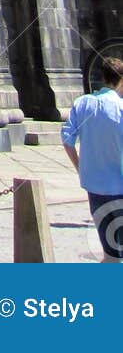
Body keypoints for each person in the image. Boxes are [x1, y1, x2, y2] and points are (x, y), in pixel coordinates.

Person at [61, 55, 123, 262]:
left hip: (94, 187)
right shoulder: (120, 108)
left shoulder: (82, 104)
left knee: (111, 253)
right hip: (119, 187)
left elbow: (67, 140)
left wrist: (80, 168)